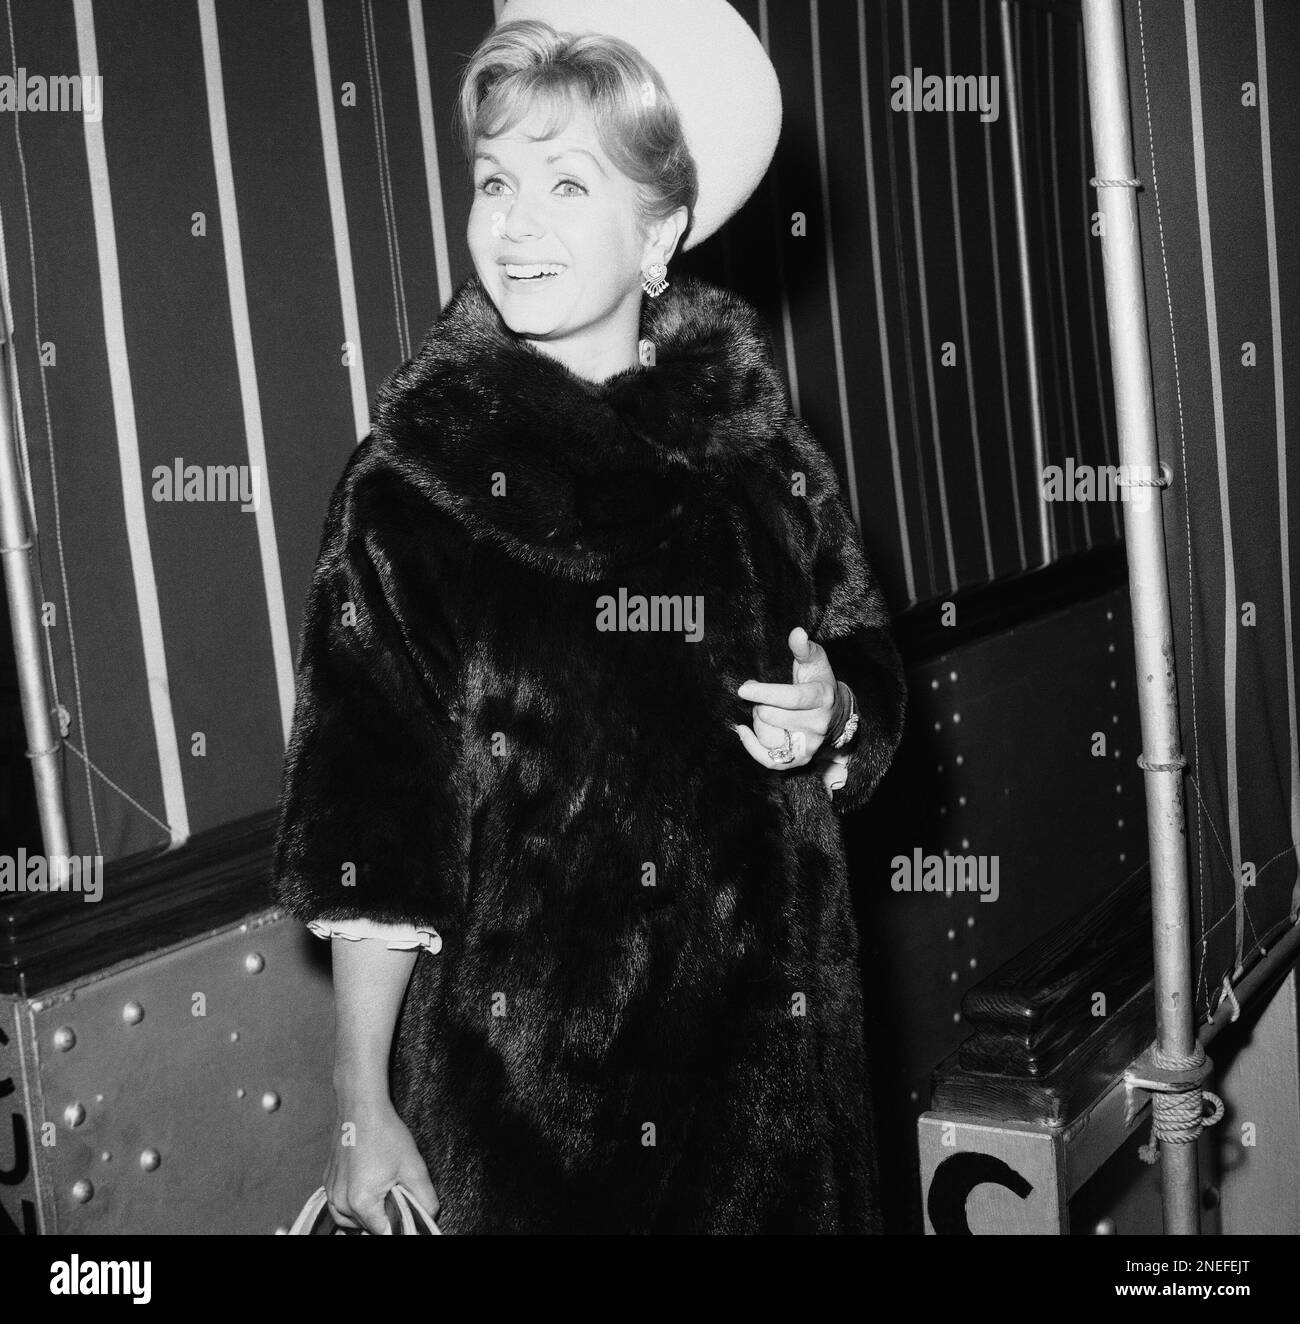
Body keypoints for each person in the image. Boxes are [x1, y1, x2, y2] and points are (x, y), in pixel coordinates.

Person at [272, 0, 906, 1235]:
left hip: (783, 1107)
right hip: (537, 1132)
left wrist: (834, 709)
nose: (512, 225)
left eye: (567, 184)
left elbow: (870, 662)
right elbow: (368, 833)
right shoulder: (414, 490)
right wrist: (361, 1102)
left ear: (659, 226)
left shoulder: (760, 453)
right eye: (494, 179)